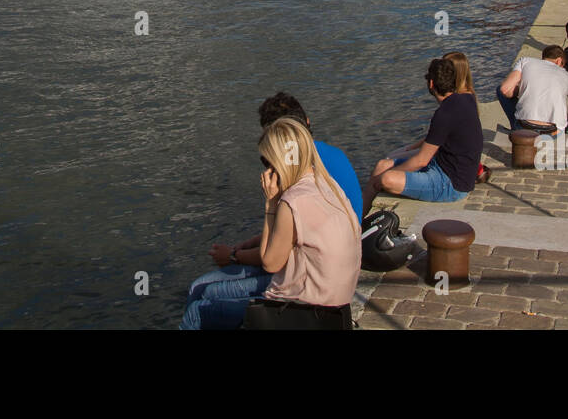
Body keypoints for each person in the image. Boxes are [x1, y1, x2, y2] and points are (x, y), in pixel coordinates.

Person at [180, 93, 362, 330]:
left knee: (197, 309)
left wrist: (271, 203)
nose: (265, 168)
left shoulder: (292, 200)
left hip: (304, 313)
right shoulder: (327, 185)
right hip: (336, 309)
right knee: (208, 295)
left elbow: (271, 263)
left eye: (267, 161)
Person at [362, 58, 482, 214]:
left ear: (431, 84)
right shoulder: (466, 98)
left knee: (386, 179)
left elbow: (421, 160)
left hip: (451, 184)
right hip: (442, 165)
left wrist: (394, 172)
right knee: (381, 165)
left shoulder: (444, 114)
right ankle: (359, 221)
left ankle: (357, 224)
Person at [496, 45, 568, 134]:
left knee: (499, 90)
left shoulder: (525, 61)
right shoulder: (567, 76)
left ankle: (516, 131)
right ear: (559, 61)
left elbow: (505, 89)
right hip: (554, 132)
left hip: (525, 127)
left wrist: (521, 90)